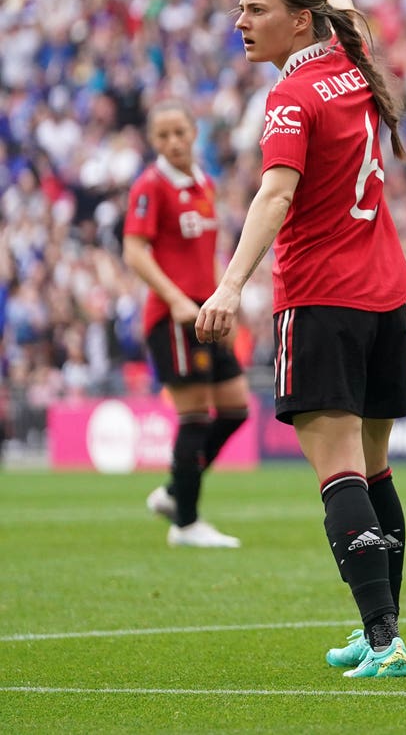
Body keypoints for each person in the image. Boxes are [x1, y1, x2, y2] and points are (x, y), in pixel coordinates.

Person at [194, 0, 406, 678]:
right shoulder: (352, 63)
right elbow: (348, 6)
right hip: (385, 295)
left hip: (321, 298)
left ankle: (384, 640)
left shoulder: (291, 98)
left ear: (299, 21)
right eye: (239, 8)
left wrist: (228, 284)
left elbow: (275, 196)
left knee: (339, 473)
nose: (240, 22)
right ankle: (383, 628)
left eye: (255, 10)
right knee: (374, 470)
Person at [122, 99, 250, 548]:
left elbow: (207, 253)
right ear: (153, 141)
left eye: (180, 132)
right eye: (164, 135)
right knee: (194, 414)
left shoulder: (204, 183)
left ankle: (176, 492)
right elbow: (135, 251)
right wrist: (176, 299)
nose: (174, 142)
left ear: (194, 132)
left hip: (206, 311)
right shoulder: (150, 186)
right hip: (174, 317)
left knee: (236, 408)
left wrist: (224, 301)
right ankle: (187, 523)